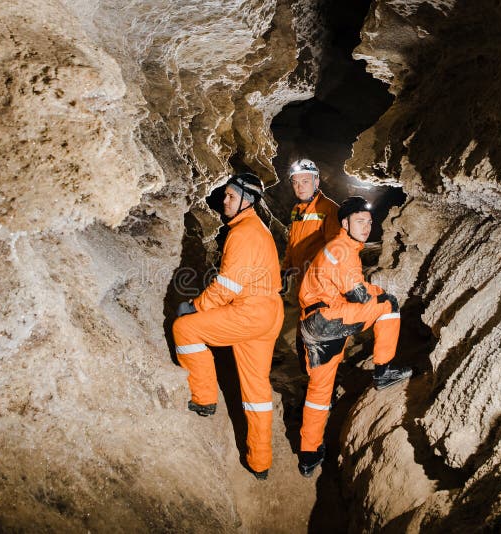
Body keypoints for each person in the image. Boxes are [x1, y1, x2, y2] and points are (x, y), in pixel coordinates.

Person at [172, 173, 284, 480]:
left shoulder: (244, 232)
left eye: (231, 197)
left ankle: (205, 399)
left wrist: (194, 307)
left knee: (186, 329)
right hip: (269, 312)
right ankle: (260, 463)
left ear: (247, 201)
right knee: (256, 388)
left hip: (251, 311)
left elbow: (226, 287)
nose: (225, 201)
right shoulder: (257, 229)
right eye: (225, 195)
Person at [296, 196, 412, 477]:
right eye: (360, 221)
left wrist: (370, 291)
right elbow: (358, 295)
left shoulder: (335, 248)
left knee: (319, 392)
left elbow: (353, 288)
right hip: (329, 320)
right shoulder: (341, 249)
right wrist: (379, 294)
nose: (366, 227)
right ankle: (383, 371)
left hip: (314, 326)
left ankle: (308, 455)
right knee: (389, 305)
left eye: (369, 222)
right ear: (345, 223)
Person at [281, 158, 340, 290]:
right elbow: (292, 244)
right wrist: (285, 270)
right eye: (295, 182)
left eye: (305, 181)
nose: (299, 187)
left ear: (316, 182)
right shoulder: (297, 210)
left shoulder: (329, 209)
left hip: (320, 285)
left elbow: (337, 250)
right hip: (300, 281)